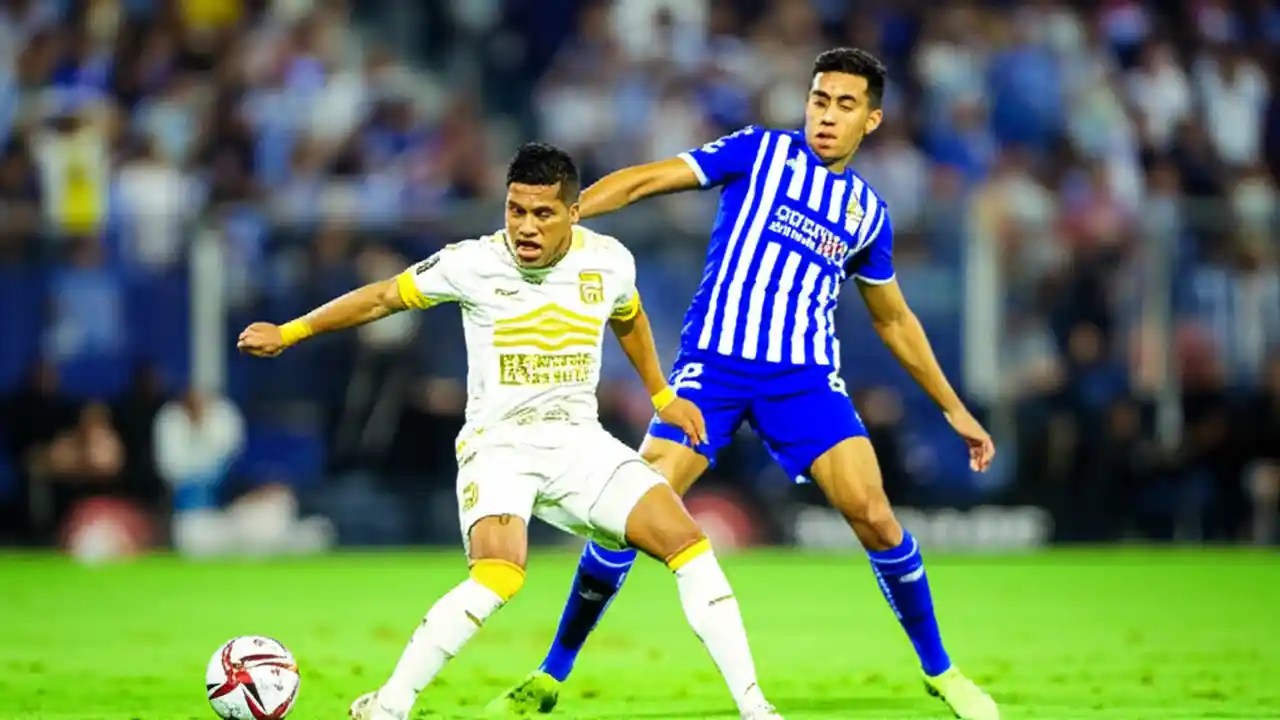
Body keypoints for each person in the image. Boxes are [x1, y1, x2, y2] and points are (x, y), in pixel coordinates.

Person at [490, 48, 999, 720]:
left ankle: (942, 671)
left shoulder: (867, 214)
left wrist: (954, 408)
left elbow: (895, 319)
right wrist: (571, 217)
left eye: (845, 106)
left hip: (804, 379)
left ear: (871, 121)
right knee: (631, 510)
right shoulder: (759, 151)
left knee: (874, 515)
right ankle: (551, 674)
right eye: (819, 99)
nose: (825, 115)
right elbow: (650, 179)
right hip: (714, 370)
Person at [237, 143, 782, 720]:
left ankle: (754, 708)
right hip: (500, 447)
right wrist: (290, 332)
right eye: (515, 210)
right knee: (499, 575)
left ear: (574, 213)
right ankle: (388, 705)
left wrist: (663, 396)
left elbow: (630, 317)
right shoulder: (471, 262)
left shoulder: (610, 261)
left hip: (579, 443)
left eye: (542, 213)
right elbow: (381, 297)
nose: (525, 227)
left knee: (690, 546)